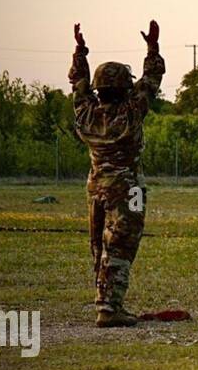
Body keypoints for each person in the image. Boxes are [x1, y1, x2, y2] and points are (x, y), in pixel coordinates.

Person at [69, 20, 164, 327]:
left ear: (100, 89)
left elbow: (78, 85)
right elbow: (151, 79)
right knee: (121, 244)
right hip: (129, 188)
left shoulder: (86, 113)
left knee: (99, 245)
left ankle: (103, 302)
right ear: (125, 88)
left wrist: (80, 53)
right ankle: (110, 308)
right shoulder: (131, 110)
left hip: (96, 186)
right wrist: (152, 48)